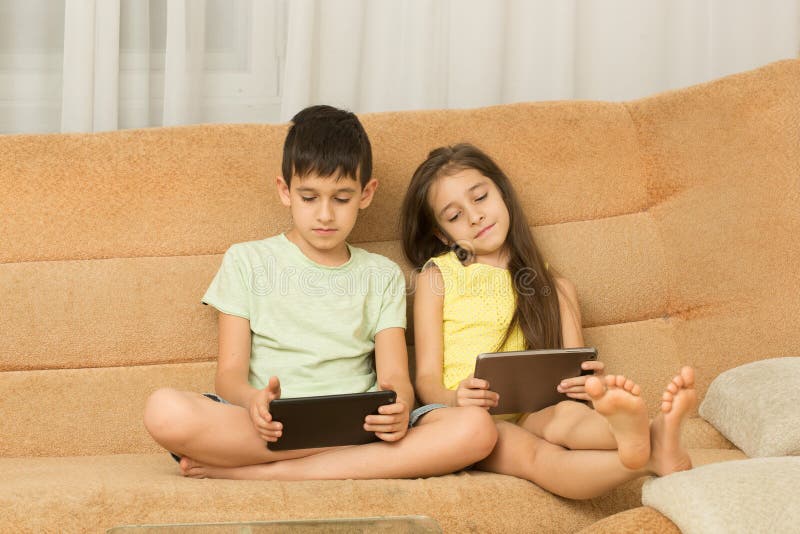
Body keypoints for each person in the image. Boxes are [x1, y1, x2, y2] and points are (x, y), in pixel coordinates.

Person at [143, 107, 498, 480]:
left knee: (477, 429)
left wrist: (399, 407)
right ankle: (337, 460)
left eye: (341, 199)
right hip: (272, 425)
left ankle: (259, 473)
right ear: (285, 191)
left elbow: (395, 378)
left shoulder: (381, 275)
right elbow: (228, 377)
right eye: (309, 197)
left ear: (366, 193)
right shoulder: (247, 260)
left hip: (357, 422)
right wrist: (255, 404)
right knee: (163, 410)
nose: (325, 215)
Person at [400, 143, 696, 499]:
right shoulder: (437, 278)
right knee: (537, 456)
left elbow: (577, 373)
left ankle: (645, 438)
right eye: (454, 216)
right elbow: (427, 379)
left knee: (570, 419)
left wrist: (587, 386)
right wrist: (454, 397)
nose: (474, 216)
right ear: (444, 236)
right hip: (463, 416)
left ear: (503, 194)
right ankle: (647, 449)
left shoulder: (556, 288)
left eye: (480, 197)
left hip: (533, 409)